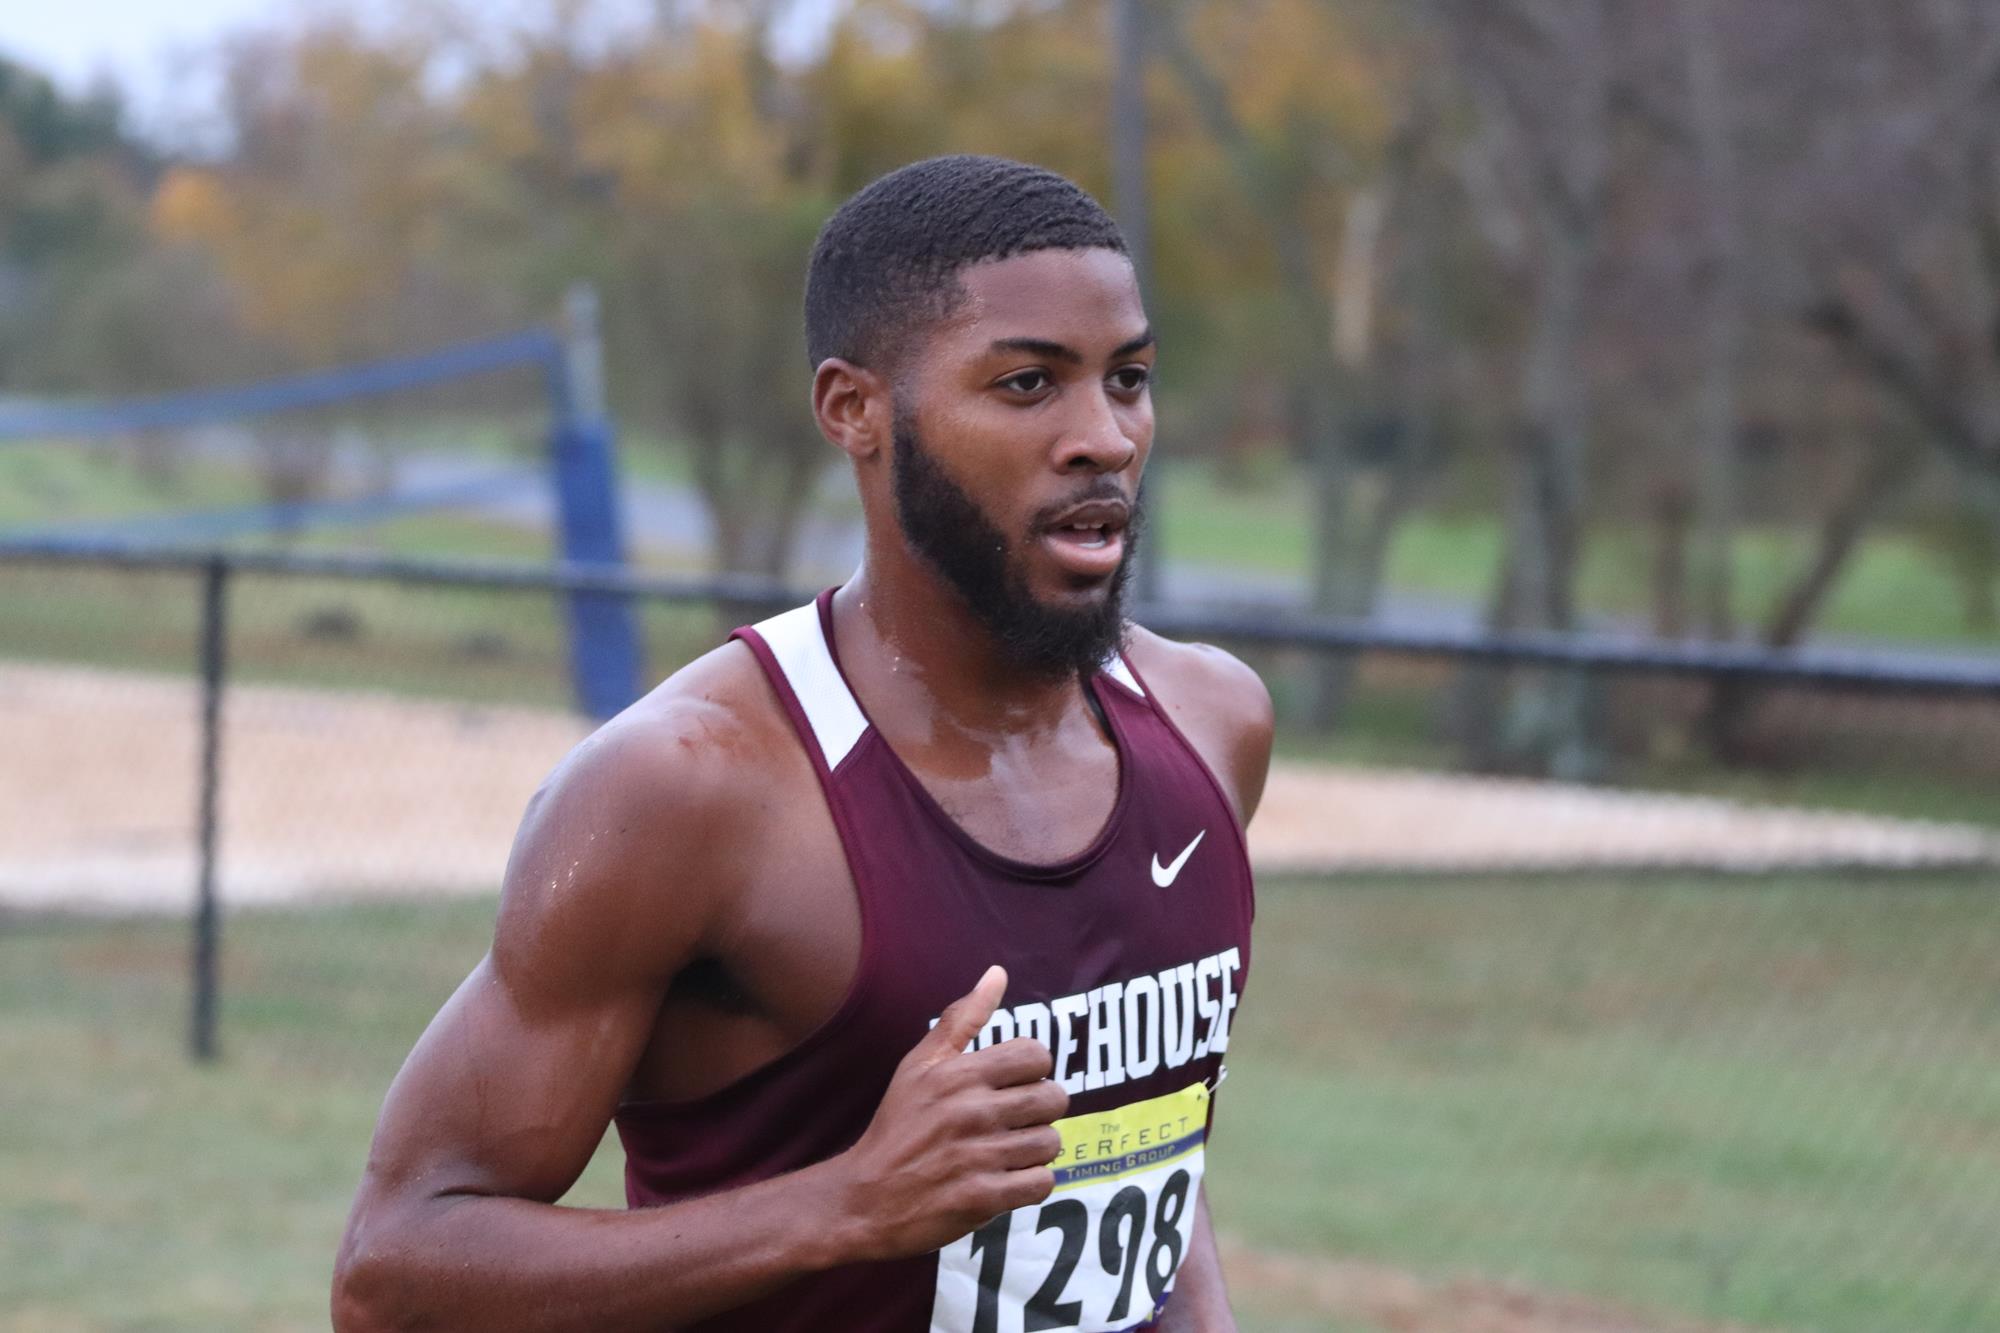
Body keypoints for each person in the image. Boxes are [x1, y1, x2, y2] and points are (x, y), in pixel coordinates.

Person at [332, 154, 1272, 1333]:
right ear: (854, 409)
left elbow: (1141, 1165)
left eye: (1126, 379)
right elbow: (393, 1272)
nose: (1104, 437)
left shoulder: (1211, 722)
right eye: (1028, 385)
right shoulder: (686, 789)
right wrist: (846, 1204)